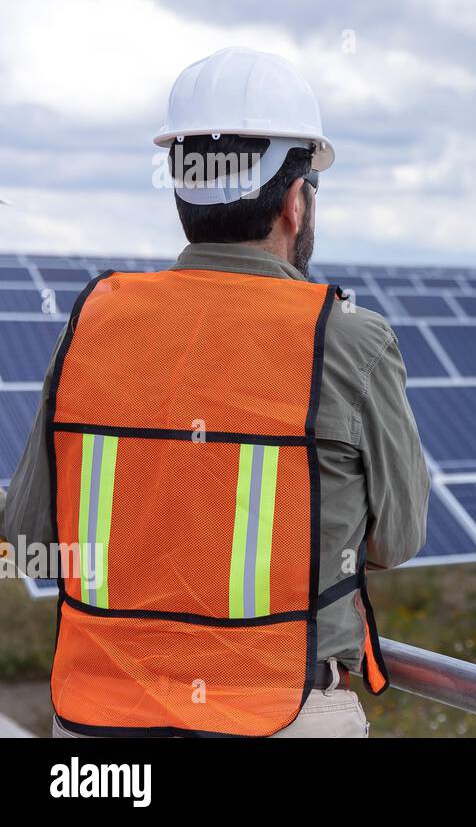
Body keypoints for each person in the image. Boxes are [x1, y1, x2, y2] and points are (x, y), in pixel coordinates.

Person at [0, 47, 429, 737]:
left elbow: (26, 537)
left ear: (182, 196)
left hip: (99, 720)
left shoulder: (96, 320)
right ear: (296, 202)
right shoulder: (348, 337)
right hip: (281, 714)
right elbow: (399, 538)